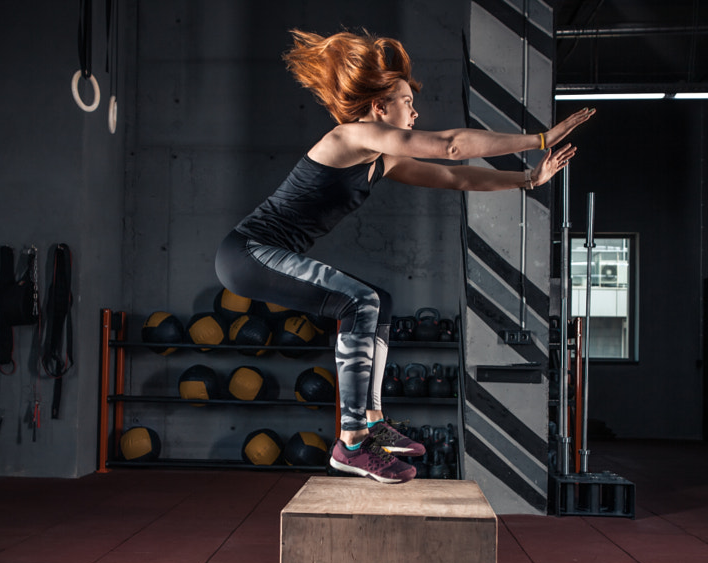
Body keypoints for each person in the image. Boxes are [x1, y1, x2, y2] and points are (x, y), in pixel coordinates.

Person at [216, 29, 593, 484]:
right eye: (406, 102)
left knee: (380, 301)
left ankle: (372, 424)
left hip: (264, 255)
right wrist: (539, 138)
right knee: (360, 302)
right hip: (248, 253)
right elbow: (450, 146)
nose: (414, 112)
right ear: (379, 107)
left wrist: (528, 181)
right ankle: (351, 442)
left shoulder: (383, 159)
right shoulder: (351, 136)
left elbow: (454, 177)